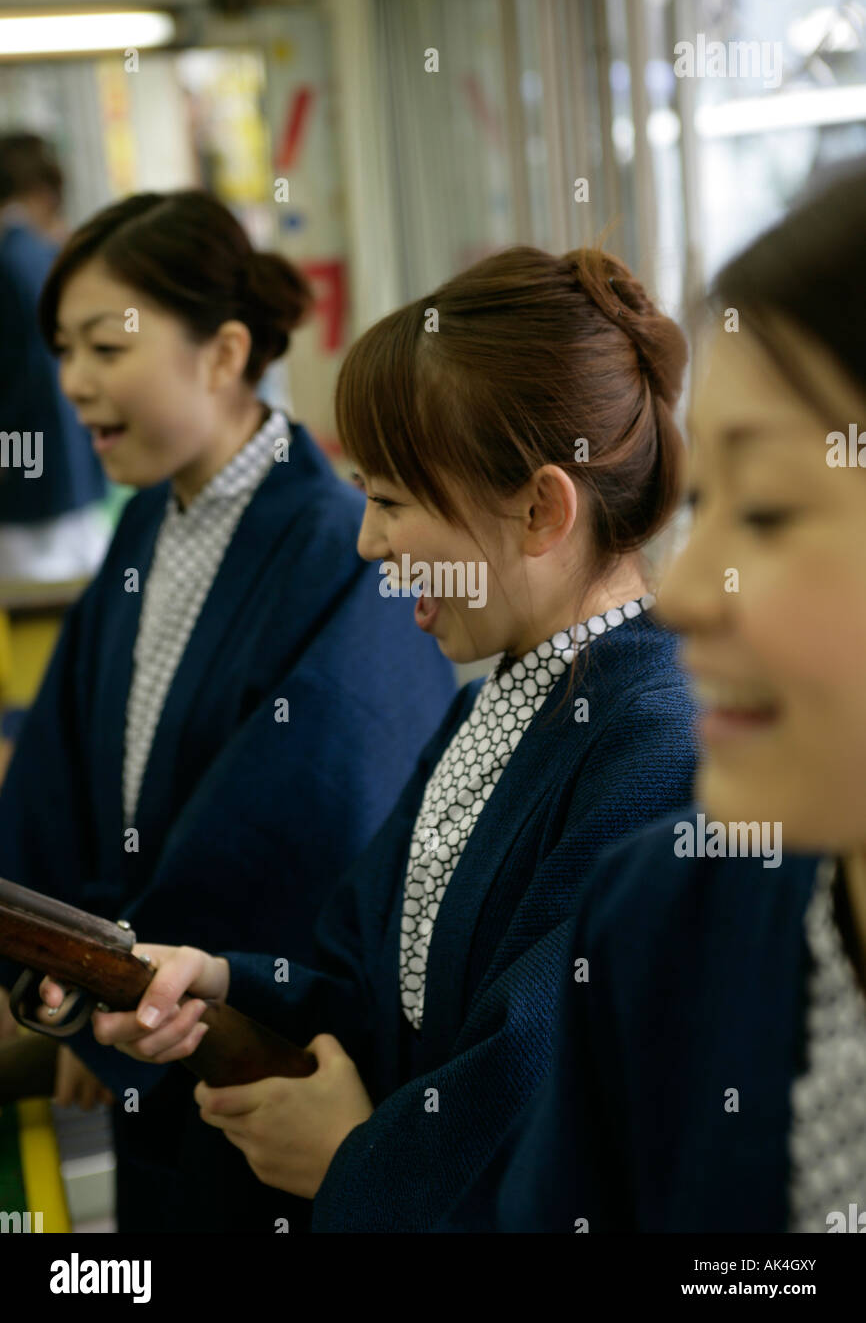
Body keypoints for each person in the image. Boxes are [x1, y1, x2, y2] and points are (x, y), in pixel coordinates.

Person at [81, 244, 700, 1231]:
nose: (368, 543)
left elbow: (536, 1096)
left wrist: (354, 1162)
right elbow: (367, 991)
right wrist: (219, 981)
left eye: (393, 500)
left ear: (540, 507)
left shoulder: (655, 752)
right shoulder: (482, 711)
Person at [0, 189, 457, 1231]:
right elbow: (63, 776)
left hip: (252, 1071)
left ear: (223, 351)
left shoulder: (341, 548)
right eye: (61, 350)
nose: (73, 384)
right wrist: (68, 979)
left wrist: (119, 990)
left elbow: (306, 829)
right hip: (138, 1040)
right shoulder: (146, 529)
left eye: (105, 348)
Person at [440, 164, 866, 1233]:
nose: (678, 595)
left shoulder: (637, 749)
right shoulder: (660, 927)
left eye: (765, 511)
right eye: (704, 502)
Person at [0, 133, 108, 581]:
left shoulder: (10, 259)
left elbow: (18, 379)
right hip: (73, 465)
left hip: (27, 483)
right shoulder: (48, 256)